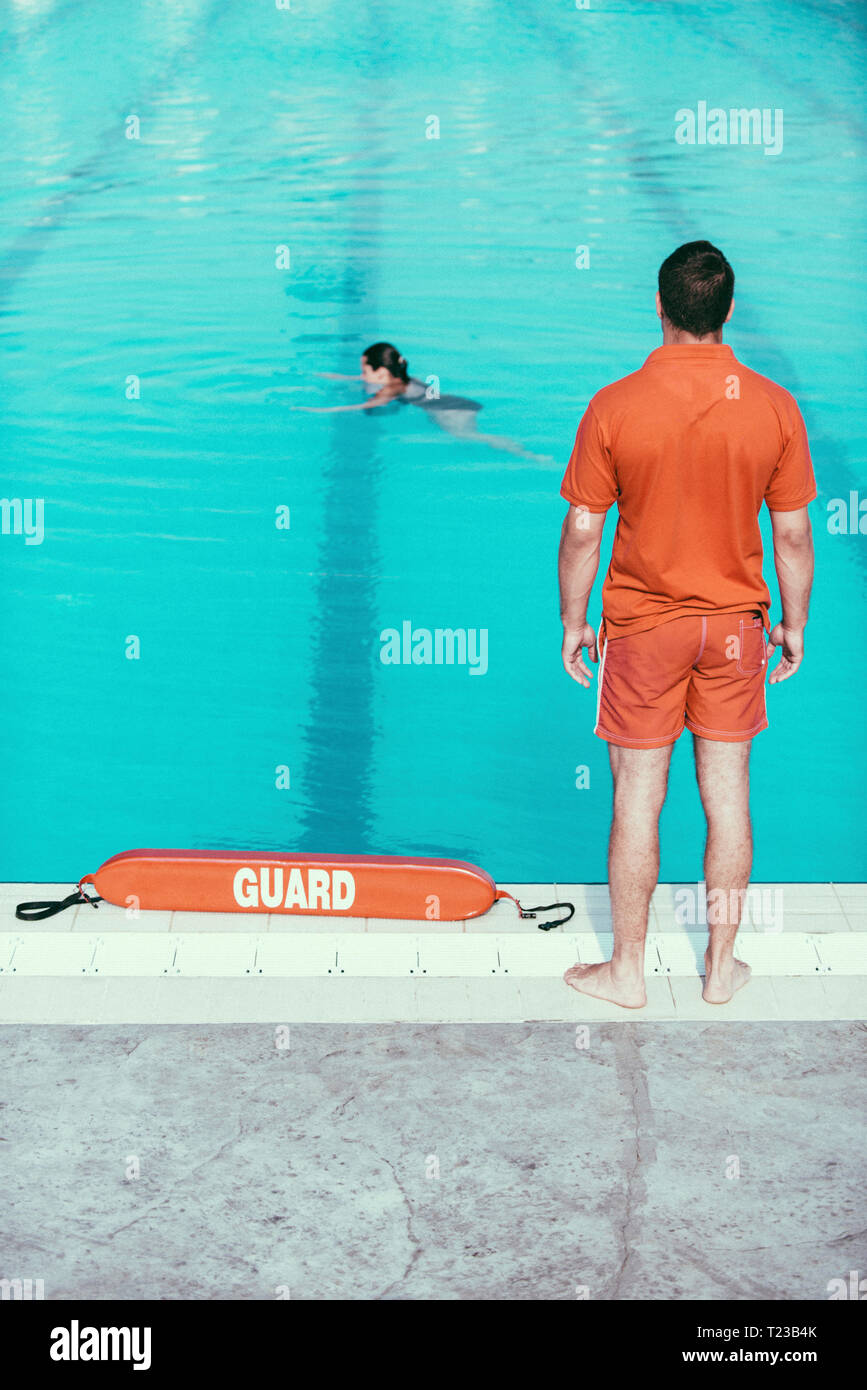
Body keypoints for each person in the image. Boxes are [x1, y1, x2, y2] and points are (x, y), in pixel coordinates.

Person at [557, 241, 816, 1009]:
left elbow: (581, 530)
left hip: (641, 630)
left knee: (638, 794)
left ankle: (627, 972)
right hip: (736, 629)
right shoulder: (771, 404)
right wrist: (793, 624)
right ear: (728, 310)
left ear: (659, 307)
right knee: (727, 794)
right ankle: (719, 968)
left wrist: (573, 622)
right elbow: (794, 535)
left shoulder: (615, 404)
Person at [296, 341, 551, 460]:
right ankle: (526, 452)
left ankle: (529, 455)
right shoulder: (401, 377)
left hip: (450, 411)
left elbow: (364, 406)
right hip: (455, 403)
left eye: (365, 371)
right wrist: (330, 376)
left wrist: (318, 410)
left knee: (473, 437)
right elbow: (358, 379)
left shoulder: (390, 390)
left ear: (382, 373)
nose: (361, 375)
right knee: (472, 438)